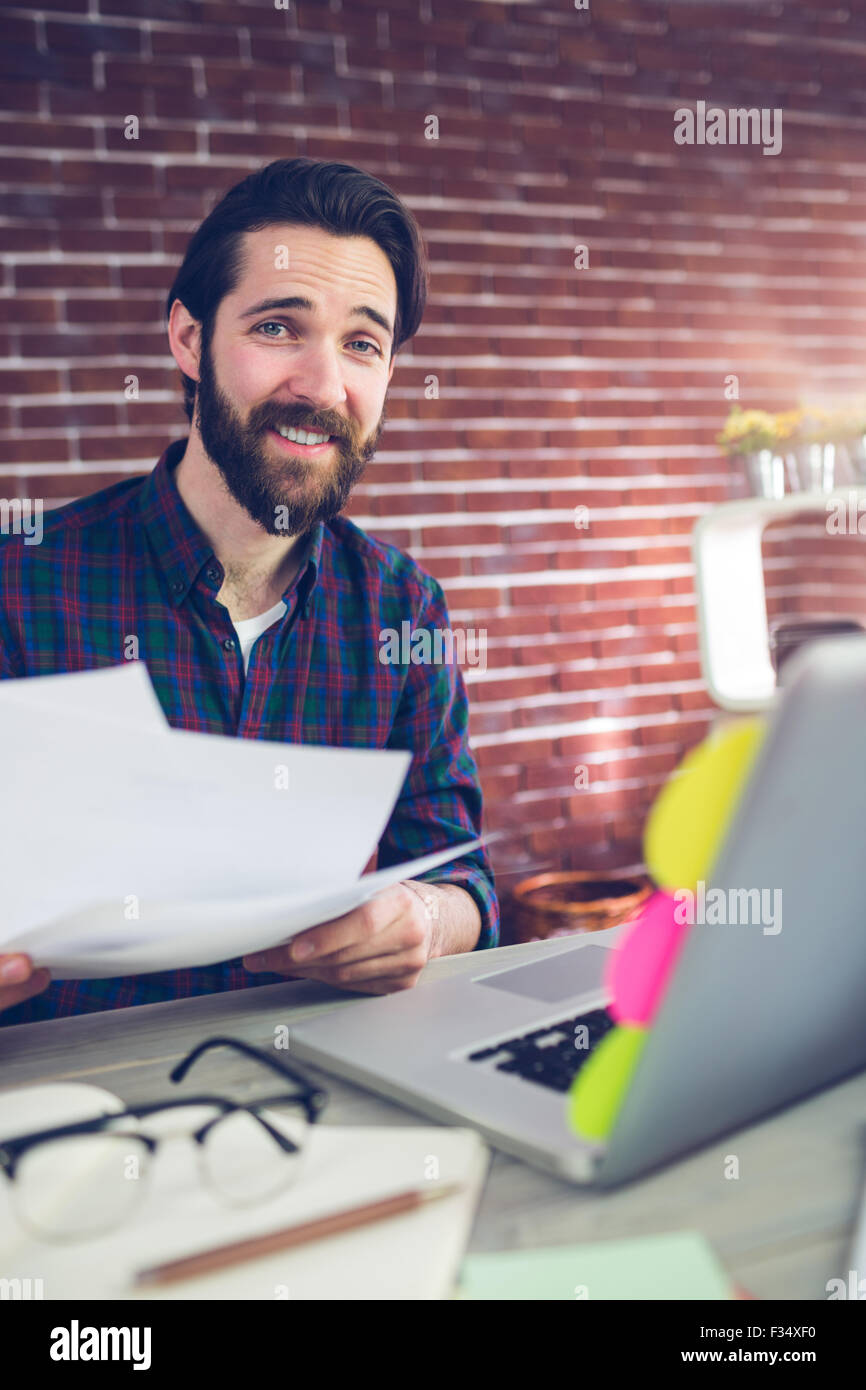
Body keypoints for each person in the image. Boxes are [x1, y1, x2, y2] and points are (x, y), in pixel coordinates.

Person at [0, 158, 498, 1025]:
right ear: (190, 341)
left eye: (362, 344)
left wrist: (422, 918)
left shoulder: (403, 609)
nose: (323, 385)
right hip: (70, 1105)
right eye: (277, 328)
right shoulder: (20, 584)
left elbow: (460, 877)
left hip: (324, 1088)